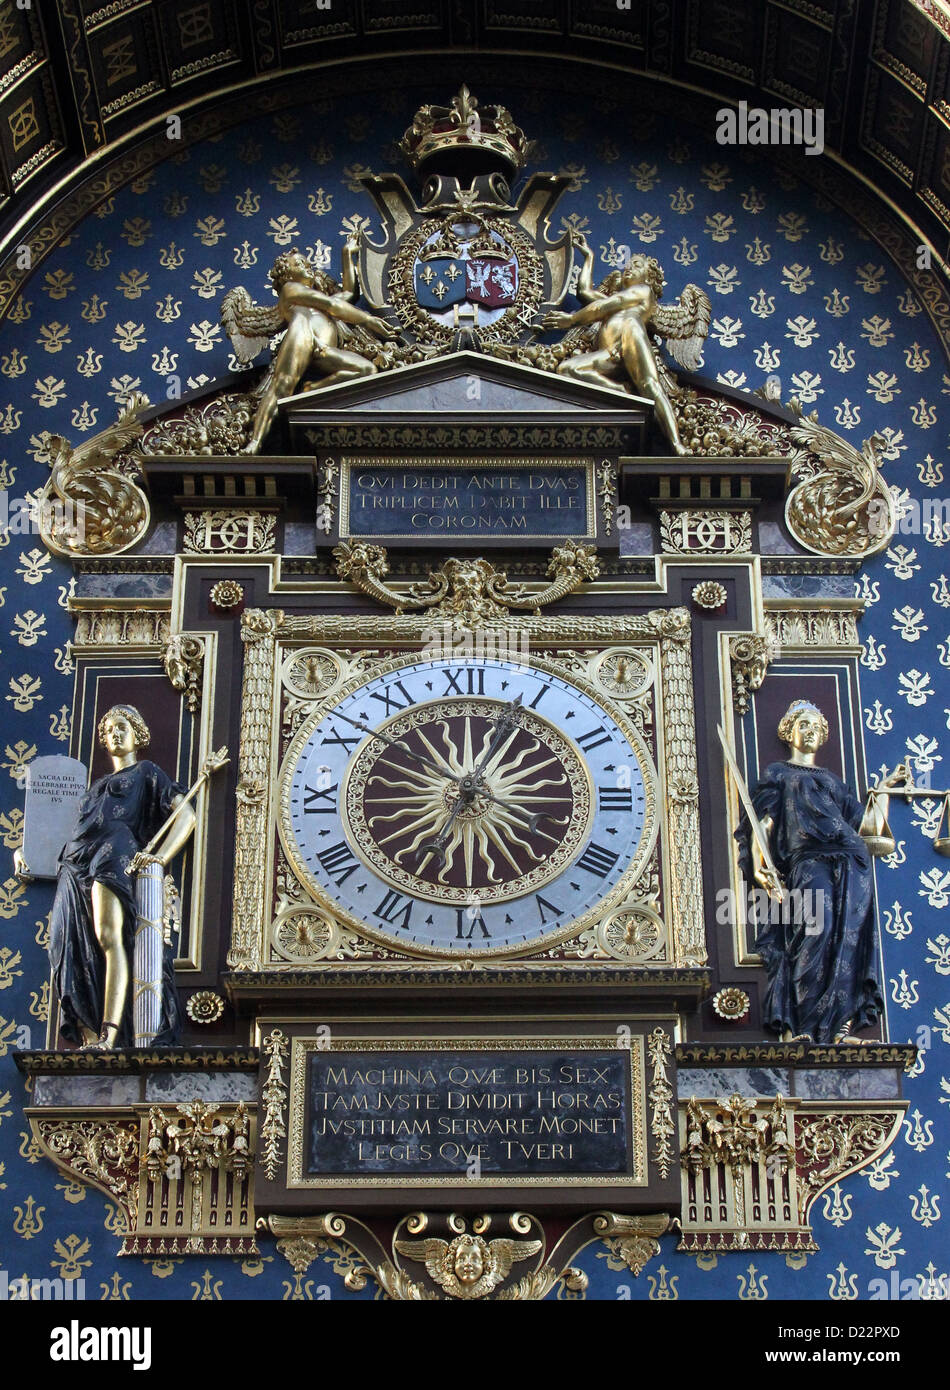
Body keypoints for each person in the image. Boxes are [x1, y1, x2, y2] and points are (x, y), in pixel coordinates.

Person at [735, 699, 897, 1044]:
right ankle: (807, 1027)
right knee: (815, 931)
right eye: (803, 725)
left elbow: (866, 825)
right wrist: (760, 863)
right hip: (808, 860)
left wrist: (883, 791)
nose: (809, 732)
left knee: (847, 941)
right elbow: (764, 822)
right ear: (788, 731)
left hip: (853, 861)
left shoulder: (833, 781)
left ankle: (840, 1030)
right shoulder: (778, 774)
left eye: (815, 727)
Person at [48, 705, 194, 1050]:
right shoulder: (96, 787)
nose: (115, 733)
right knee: (64, 944)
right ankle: (86, 1034)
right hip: (73, 865)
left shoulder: (146, 773)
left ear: (138, 735)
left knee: (109, 937)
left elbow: (186, 816)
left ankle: (109, 1035)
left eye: (122, 727)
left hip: (113, 854)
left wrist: (158, 857)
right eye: (110, 729)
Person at [222, 242, 400, 454]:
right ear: (287, 274)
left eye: (307, 263)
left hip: (323, 347)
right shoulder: (290, 290)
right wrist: (368, 320)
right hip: (303, 333)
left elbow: (348, 294)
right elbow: (334, 306)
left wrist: (346, 254)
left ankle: (310, 392)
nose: (308, 267)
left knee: (367, 370)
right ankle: (256, 442)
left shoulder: (319, 300)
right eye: (299, 264)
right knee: (281, 386)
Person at [540, 238, 709, 455]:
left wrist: (571, 321)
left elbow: (608, 305)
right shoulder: (619, 298)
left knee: (651, 386)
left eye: (637, 265)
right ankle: (623, 393)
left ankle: (677, 444)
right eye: (628, 265)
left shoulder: (643, 292)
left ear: (649, 276)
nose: (629, 268)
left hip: (631, 336)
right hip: (610, 353)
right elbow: (584, 293)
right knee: (567, 370)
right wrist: (588, 257)